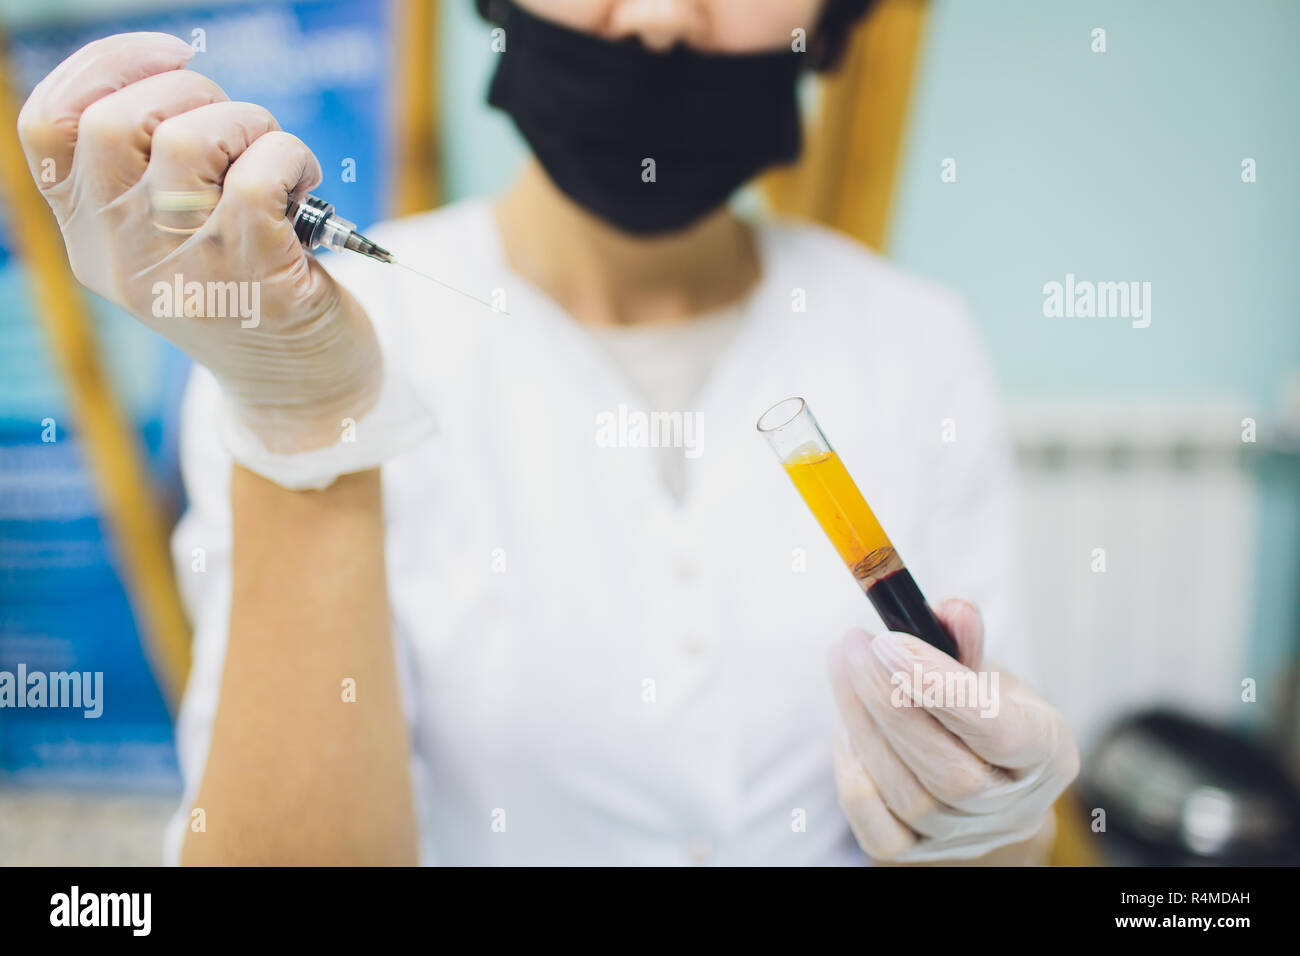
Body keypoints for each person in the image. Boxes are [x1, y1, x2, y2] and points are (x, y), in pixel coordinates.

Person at [17, 0, 1078, 866]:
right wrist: (306, 423)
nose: (661, 19)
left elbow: (981, 799)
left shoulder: (914, 339)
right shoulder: (288, 326)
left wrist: (987, 816)